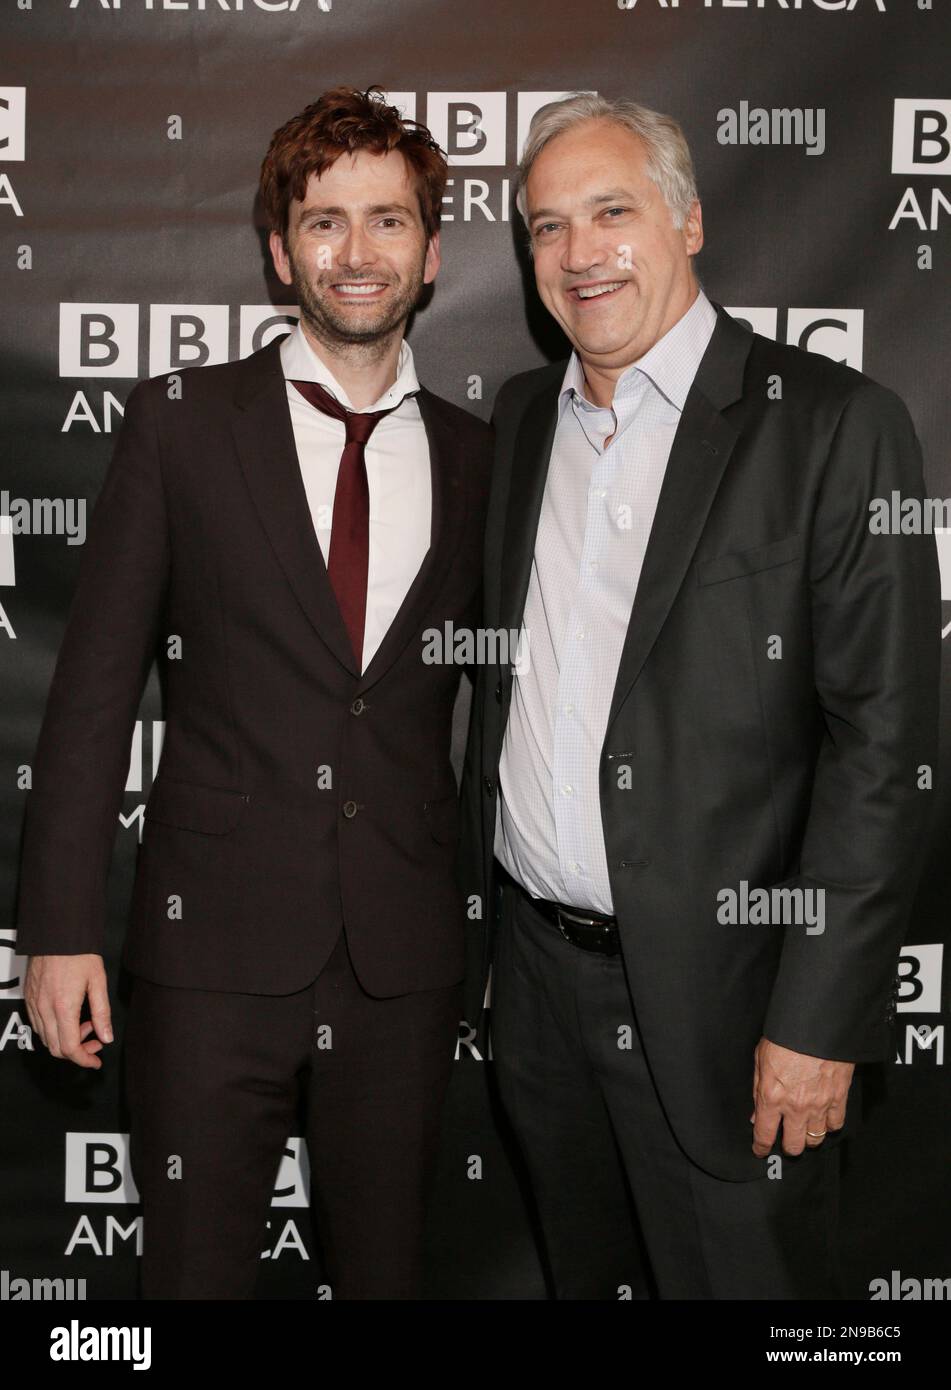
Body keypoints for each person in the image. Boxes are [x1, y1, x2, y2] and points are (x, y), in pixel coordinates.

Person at [459, 92, 941, 1299]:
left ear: (688, 219)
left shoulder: (833, 428)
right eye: (546, 226)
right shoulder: (524, 419)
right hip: (539, 994)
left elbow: (886, 750)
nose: (577, 252)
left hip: (733, 1013)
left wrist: (821, 1019)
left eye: (610, 211)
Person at [16, 86, 491, 1300]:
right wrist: (61, 927)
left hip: (403, 961)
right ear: (281, 252)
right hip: (206, 954)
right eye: (324, 222)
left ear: (432, 252)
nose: (357, 251)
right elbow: (90, 694)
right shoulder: (181, 426)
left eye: (387, 220)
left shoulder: (486, 457)